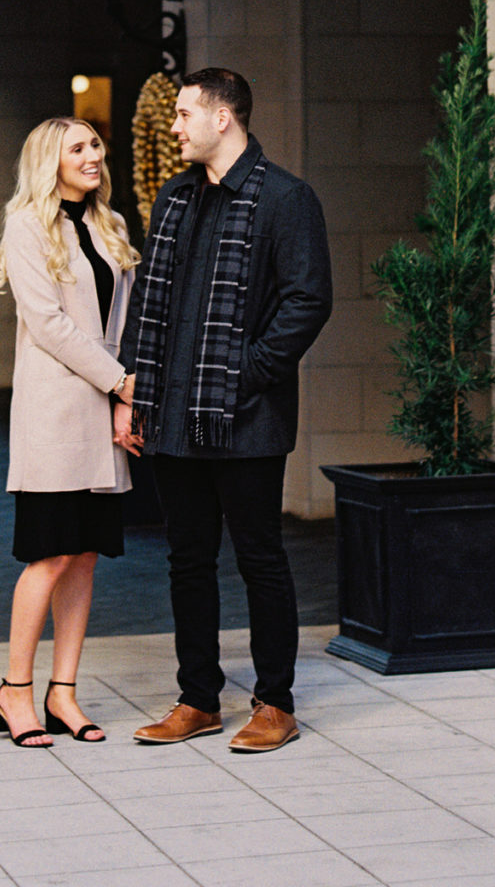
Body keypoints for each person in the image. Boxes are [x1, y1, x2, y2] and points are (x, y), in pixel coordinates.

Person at [115, 67, 331, 754]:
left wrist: (249, 373)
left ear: (223, 118)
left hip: (248, 417)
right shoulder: (174, 197)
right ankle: (198, 699)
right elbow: (148, 302)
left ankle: (275, 703)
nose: (174, 126)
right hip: (173, 414)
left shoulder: (286, 198)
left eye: (184, 114)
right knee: (187, 560)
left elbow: (308, 300)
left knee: (260, 558)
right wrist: (133, 390)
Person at [0, 117, 140, 749]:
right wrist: (121, 383)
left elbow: (122, 324)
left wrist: (122, 403)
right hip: (54, 411)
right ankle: (14, 691)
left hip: (102, 408)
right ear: (48, 162)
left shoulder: (112, 225)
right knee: (48, 554)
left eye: (95, 145)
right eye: (76, 148)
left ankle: (63, 693)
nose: (92, 155)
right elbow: (48, 324)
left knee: (84, 554)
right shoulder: (27, 226)